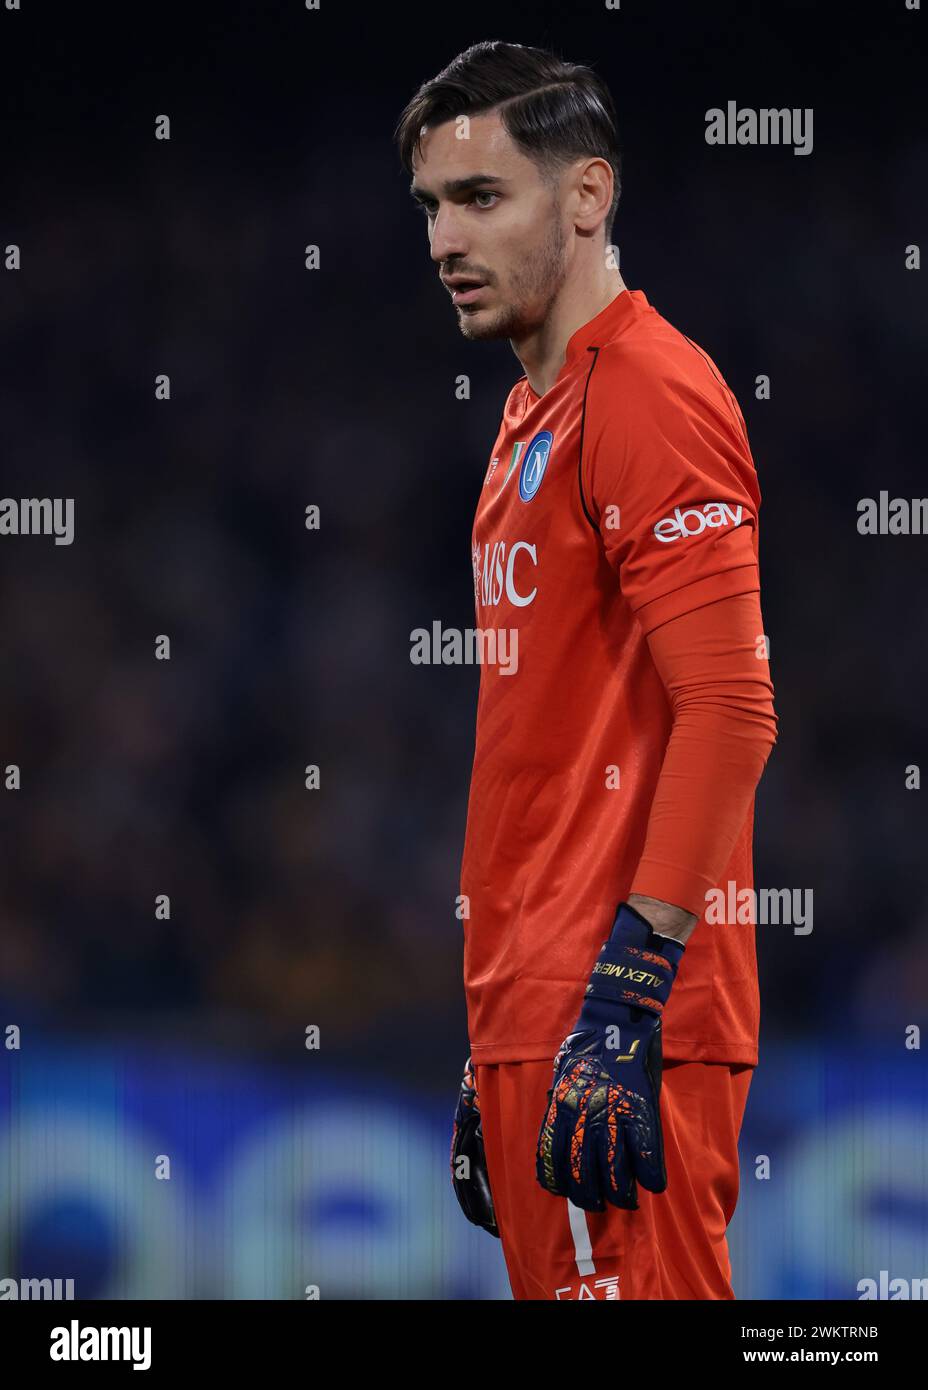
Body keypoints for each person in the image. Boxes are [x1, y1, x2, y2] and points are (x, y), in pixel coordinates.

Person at [395, 40, 778, 1301]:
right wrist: (498, 1034)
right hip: (540, 1015)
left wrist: (623, 990)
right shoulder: (526, 421)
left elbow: (729, 710)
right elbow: (544, 751)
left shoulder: (649, 395)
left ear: (587, 197)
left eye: (482, 197)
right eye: (432, 206)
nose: (446, 237)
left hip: (619, 1016)